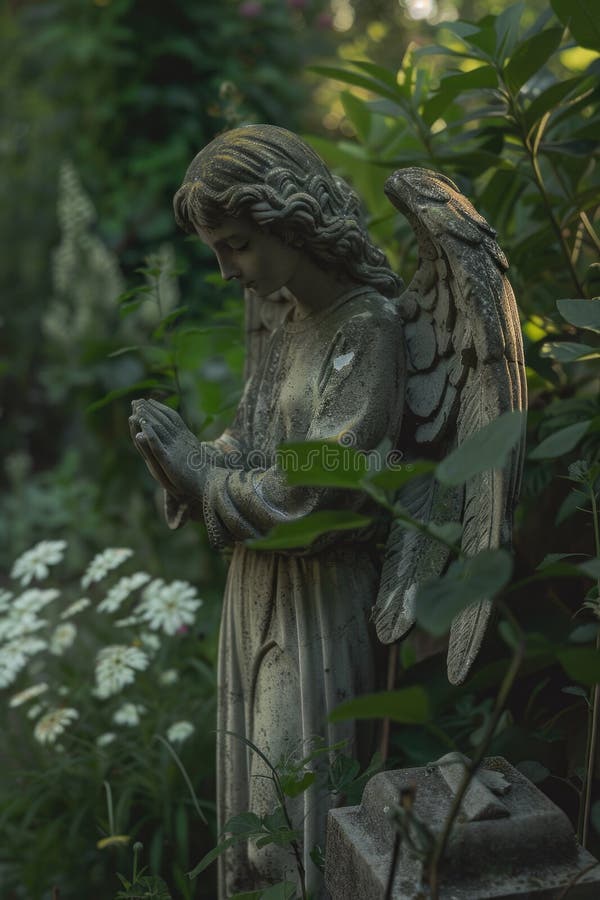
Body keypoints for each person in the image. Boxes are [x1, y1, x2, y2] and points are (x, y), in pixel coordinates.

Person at [129, 124, 405, 898]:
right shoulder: (290, 327)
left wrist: (205, 480)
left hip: (318, 600)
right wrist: (184, 458)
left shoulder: (368, 328)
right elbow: (251, 446)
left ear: (290, 221)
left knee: (293, 832)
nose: (225, 271)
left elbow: (334, 474)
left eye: (237, 245)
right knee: (250, 837)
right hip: (257, 592)